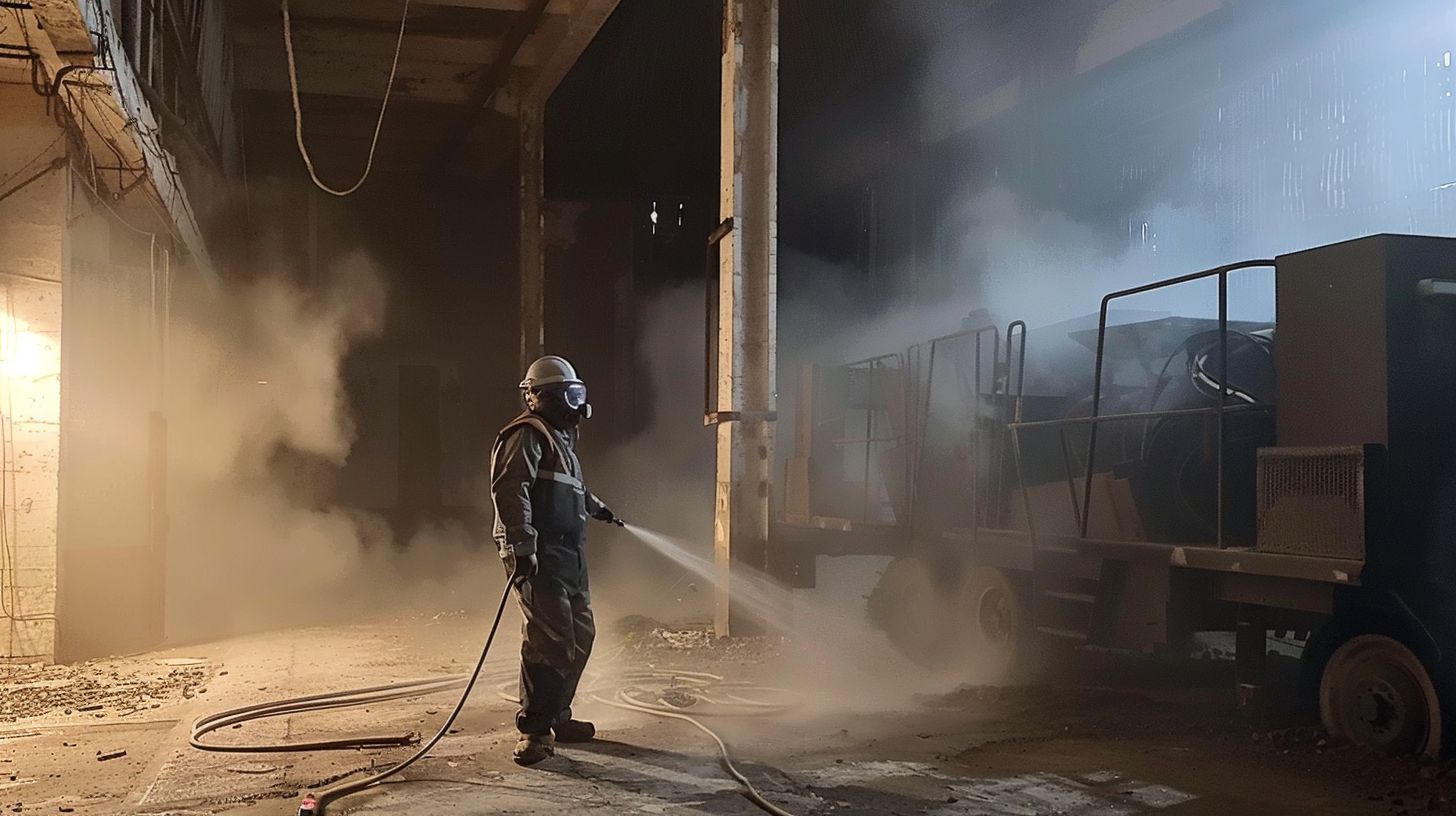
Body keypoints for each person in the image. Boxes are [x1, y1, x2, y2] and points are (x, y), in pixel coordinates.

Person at [490, 355, 623, 766]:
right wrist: (522, 546)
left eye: (577, 394)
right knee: (550, 642)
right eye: (569, 395)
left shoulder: (561, 440)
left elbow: (571, 489)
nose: (576, 405)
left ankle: (557, 716)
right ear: (540, 397)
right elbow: (510, 491)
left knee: (581, 637)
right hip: (540, 556)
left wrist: (598, 508)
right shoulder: (527, 434)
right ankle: (534, 731)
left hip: (569, 557)